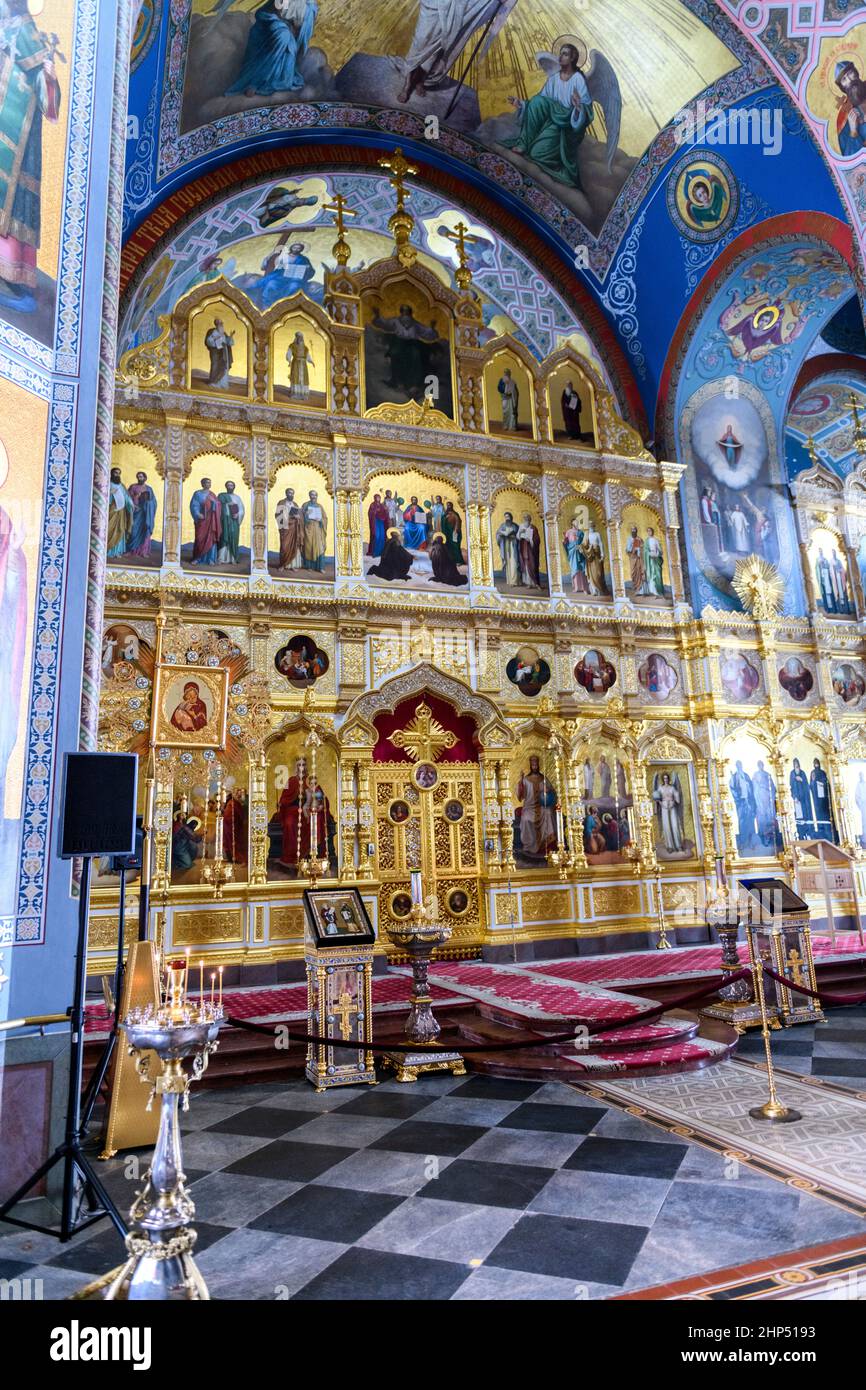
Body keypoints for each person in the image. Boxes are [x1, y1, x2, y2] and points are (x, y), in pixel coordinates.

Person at [0, 0, 61, 314]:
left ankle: (9, 273)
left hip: (17, 133)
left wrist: (47, 76)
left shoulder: (26, 30)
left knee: (11, 198)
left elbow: (44, 86)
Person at [505, 42, 594, 190]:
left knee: (536, 154)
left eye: (565, 54)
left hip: (564, 128)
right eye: (561, 53)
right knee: (537, 101)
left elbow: (588, 111)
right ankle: (523, 143)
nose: (560, 57)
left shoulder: (578, 79)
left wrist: (578, 108)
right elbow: (539, 101)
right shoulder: (553, 79)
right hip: (551, 120)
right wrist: (521, 104)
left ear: (572, 58)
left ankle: (556, 164)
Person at [397, 0, 503, 103]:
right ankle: (407, 84)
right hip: (433, 5)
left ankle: (420, 80)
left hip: (457, 5)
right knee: (420, 42)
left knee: (440, 45)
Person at [226, 0, 318, 97]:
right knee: (283, 37)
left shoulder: (309, 4)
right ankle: (257, 82)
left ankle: (279, 80)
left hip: (288, 28)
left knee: (290, 44)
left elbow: (300, 25)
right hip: (271, 19)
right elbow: (278, 10)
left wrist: (297, 23)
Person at [515, 755, 557, 859]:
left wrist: (548, 791)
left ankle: (547, 846)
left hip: (542, 806)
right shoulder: (525, 779)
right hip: (529, 807)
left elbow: (552, 792)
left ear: (538, 765)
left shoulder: (543, 778)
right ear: (530, 765)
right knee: (525, 819)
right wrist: (520, 782)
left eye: (536, 764)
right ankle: (529, 846)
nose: (534, 766)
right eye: (532, 764)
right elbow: (521, 796)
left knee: (548, 813)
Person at [277, 758, 306, 867]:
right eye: (299, 765)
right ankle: (290, 855)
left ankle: (306, 854)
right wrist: (281, 803)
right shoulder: (291, 780)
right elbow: (284, 798)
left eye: (303, 764)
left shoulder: (310, 780)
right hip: (292, 810)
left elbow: (318, 795)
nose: (301, 767)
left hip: (306, 810)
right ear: (296, 767)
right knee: (289, 823)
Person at [834, 59, 866, 156]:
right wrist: (853, 131)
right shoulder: (843, 118)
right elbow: (849, 158)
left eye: (850, 73)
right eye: (844, 79)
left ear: (856, 72)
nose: (849, 80)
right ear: (842, 87)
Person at [189, 478, 221, 565]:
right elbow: (194, 505)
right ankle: (198, 558)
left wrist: (215, 503)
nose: (209, 484)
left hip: (211, 520)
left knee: (211, 538)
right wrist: (197, 513)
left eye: (210, 483)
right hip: (202, 520)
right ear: (202, 484)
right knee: (200, 538)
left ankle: (210, 559)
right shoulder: (198, 494)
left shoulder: (212, 494)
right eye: (207, 482)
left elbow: (218, 505)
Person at [653, 772, 684, 855]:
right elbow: (657, 798)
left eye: (667, 778)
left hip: (672, 807)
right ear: (663, 779)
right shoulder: (660, 788)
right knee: (667, 826)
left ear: (668, 779)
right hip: (664, 808)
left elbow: (677, 798)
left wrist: (675, 800)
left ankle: (678, 845)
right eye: (664, 778)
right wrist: (661, 803)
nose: (665, 780)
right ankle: (669, 846)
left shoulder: (672, 788)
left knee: (674, 825)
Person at [128, 472, 157, 558]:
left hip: (145, 514)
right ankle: (132, 550)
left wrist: (148, 503)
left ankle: (143, 551)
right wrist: (136, 499)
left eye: (141, 477)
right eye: (138, 477)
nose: (140, 478)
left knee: (145, 531)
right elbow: (128, 498)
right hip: (135, 511)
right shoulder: (133, 487)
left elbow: (153, 502)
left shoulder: (149, 489)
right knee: (134, 531)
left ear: (145, 478)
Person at [730, 760, 757, 852]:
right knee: (742, 822)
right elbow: (732, 788)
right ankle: (742, 843)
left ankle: (751, 842)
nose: (739, 766)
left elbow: (751, 788)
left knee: (750, 821)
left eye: (740, 765)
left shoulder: (746, 776)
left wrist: (747, 786)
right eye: (737, 765)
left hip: (749, 801)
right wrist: (738, 798)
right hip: (741, 803)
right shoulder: (734, 777)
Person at [107, 467, 133, 559]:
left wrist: (131, 504)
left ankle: (117, 551)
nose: (117, 475)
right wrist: (109, 493)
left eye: (119, 473)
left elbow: (126, 497)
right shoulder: (107, 484)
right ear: (111, 474)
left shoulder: (121, 486)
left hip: (121, 511)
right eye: (115, 473)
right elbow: (103, 496)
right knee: (110, 529)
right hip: (112, 510)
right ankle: (108, 551)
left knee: (120, 529)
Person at [275, 486, 304, 569]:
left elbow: (300, 516)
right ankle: (283, 565)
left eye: (292, 493)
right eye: (289, 493)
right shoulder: (281, 503)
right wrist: (288, 516)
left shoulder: (295, 504)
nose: (291, 495)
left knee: (294, 545)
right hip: (285, 528)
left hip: (294, 528)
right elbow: (278, 515)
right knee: (284, 546)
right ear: (286, 494)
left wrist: (298, 517)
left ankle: (292, 565)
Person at [753, 760, 779, 850]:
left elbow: (772, 788)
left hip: (768, 800)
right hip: (760, 801)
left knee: (770, 819)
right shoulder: (755, 775)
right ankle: (764, 838)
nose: (761, 766)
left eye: (761, 764)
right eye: (759, 765)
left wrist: (770, 796)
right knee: (762, 820)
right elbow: (754, 789)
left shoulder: (767, 775)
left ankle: (772, 838)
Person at [217, 480, 244, 565]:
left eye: (231, 485)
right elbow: (217, 506)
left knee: (233, 538)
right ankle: (220, 558)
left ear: (234, 487)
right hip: (224, 521)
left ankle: (232, 558)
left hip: (234, 522)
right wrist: (227, 504)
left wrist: (238, 514)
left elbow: (242, 510)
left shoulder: (237, 498)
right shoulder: (222, 496)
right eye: (228, 485)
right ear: (226, 486)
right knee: (223, 538)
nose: (230, 487)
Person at [204, 318, 235, 390]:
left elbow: (229, 343)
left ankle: (223, 384)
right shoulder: (212, 331)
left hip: (224, 353)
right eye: (220, 323)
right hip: (216, 353)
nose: (222, 325)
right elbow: (208, 341)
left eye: (222, 323)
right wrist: (216, 340)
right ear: (216, 324)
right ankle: (214, 382)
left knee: (224, 367)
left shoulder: (224, 333)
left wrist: (230, 337)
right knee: (215, 366)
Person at [809, 758, 835, 840]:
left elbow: (826, 783)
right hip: (816, 798)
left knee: (825, 814)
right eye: (815, 763)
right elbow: (811, 785)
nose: (816, 765)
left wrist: (822, 783)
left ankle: (828, 832)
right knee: (818, 814)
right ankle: (820, 830)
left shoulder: (823, 772)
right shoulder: (812, 773)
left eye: (817, 763)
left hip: (823, 799)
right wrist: (813, 781)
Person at [301, 489, 327, 571]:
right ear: (309, 496)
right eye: (312, 495)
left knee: (319, 546)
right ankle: (309, 566)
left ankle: (320, 567)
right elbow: (300, 517)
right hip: (308, 528)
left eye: (315, 495)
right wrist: (306, 515)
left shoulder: (320, 506)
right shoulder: (305, 505)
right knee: (308, 547)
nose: (313, 496)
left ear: (317, 496)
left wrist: (321, 520)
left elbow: (325, 518)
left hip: (317, 529)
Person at [562, 516, 587, 593]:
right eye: (576, 522)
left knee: (582, 568)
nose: (577, 523)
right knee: (575, 569)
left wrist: (580, 546)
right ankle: (576, 587)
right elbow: (566, 542)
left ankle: (583, 587)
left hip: (580, 552)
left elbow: (584, 542)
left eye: (577, 522)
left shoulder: (581, 532)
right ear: (572, 523)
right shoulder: (568, 532)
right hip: (572, 552)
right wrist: (564, 542)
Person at [581, 523, 607, 595]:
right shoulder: (587, 535)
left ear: (594, 526)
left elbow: (601, 543)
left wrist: (602, 553)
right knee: (592, 573)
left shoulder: (597, 534)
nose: (591, 527)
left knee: (598, 573)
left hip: (597, 554)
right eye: (590, 526)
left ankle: (600, 589)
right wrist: (582, 548)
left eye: (592, 526)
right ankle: (594, 590)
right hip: (590, 556)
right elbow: (583, 545)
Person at [287, 330, 314, 400]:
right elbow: (289, 354)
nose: (300, 339)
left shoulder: (305, 348)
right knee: (296, 378)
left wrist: (311, 362)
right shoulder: (292, 346)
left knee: (303, 379)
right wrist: (289, 361)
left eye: (301, 337)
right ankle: (295, 393)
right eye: (299, 337)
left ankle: (303, 394)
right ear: (296, 338)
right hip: (296, 363)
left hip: (303, 364)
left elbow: (308, 357)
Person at [517, 513, 541, 588]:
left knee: (533, 565)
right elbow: (517, 537)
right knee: (525, 564)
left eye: (527, 519)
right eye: (525, 519)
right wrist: (520, 533)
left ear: (529, 520)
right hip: (523, 547)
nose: (526, 520)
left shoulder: (533, 528)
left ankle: (534, 582)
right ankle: (528, 583)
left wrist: (531, 540)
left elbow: (537, 539)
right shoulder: (521, 526)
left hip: (531, 549)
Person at [496, 511, 520, 587]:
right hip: (506, 546)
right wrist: (501, 535)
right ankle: (509, 581)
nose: (507, 518)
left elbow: (519, 536)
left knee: (514, 562)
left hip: (513, 546)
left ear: (511, 517)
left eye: (508, 517)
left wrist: (514, 536)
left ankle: (514, 581)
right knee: (508, 563)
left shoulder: (515, 526)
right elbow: (498, 534)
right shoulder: (502, 526)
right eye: (505, 517)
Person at [789, 758, 812, 835]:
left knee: (805, 813)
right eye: (795, 764)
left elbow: (807, 785)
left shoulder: (802, 773)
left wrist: (802, 780)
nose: (796, 766)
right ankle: (800, 832)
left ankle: (808, 831)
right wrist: (794, 796)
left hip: (804, 798)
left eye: (797, 764)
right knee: (799, 815)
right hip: (797, 798)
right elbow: (791, 785)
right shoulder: (792, 773)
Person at [643, 527, 665, 597]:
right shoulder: (646, 541)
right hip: (650, 560)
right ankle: (652, 590)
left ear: (653, 532)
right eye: (648, 531)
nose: (649, 532)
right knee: (651, 574)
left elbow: (660, 550)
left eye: (650, 531)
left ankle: (659, 591)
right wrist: (649, 554)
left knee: (657, 574)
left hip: (656, 559)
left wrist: (657, 554)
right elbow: (645, 551)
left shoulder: (656, 540)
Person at [626, 525, 645, 595]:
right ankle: (635, 586)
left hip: (638, 558)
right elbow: (627, 549)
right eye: (632, 530)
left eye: (634, 530)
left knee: (639, 571)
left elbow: (643, 548)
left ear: (636, 531)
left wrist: (639, 549)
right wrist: (631, 548)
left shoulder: (639, 539)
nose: (633, 531)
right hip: (632, 557)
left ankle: (639, 588)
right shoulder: (629, 539)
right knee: (633, 572)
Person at [367, 492, 388, 558]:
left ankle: (381, 552)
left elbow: (385, 513)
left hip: (381, 523)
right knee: (377, 536)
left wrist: (386, 510)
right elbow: (370, 513)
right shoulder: (372, 505)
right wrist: (375, 511)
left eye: (379, 497)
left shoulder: (382, 505)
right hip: (375, 522)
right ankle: (375, 552)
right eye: (377, 497)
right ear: (375, 498)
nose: (378, 498)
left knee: (382, 536)